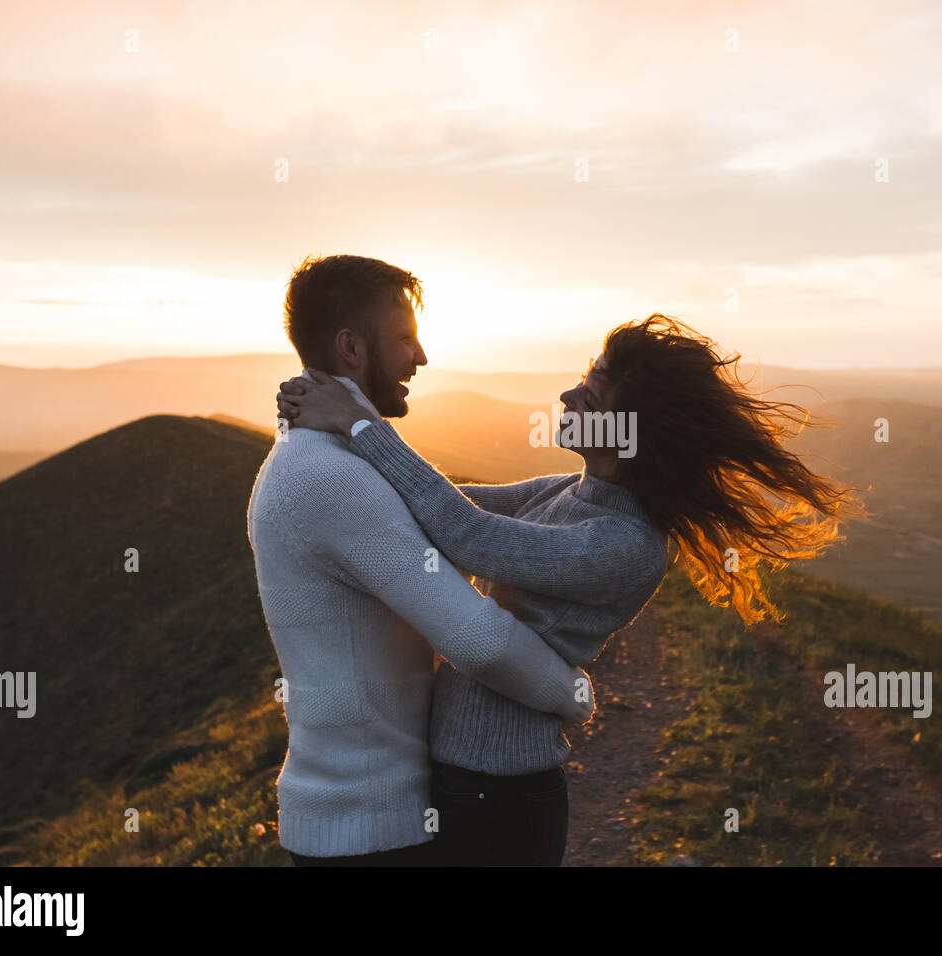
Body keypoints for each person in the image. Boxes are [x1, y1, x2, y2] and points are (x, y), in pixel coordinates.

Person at [276, 312, 867, 865]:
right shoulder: (572, 489)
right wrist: (333, 432)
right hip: (462, 782)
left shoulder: (625, 543)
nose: (565, 397)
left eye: (590, 393)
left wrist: (359, 422)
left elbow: (470, 536)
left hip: (501, 797)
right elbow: (448, 502)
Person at [247, 254, 594, 867]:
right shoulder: (331, 480)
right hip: (371, 832)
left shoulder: (314, 461)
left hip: (349, 820)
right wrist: (574, 695)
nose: (422, 357)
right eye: (404, 338)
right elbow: (476, 637)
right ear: (350, 346)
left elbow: (448, 507)